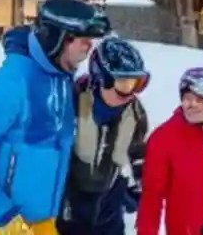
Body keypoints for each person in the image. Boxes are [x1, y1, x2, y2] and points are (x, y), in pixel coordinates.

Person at [0, 0, 112, 235]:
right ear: (59, 38)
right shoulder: (11, 83)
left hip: (41, 220)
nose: (89, 48)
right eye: (84, 40)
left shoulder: (62, 79)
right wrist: (3, 215)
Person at [56, 37, 151, 235]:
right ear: (103, 79)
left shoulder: (134, 113)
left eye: (137, 84)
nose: (131, 92)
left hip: (109, 198)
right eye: (124, 84)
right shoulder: (71, 102)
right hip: (70, 197)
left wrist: (141, 185)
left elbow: (137, 149)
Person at [136, 67, 203, 235]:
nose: (191, 105)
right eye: (187, 98)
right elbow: (151, 198)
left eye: (199, 99)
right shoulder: (163, 138)